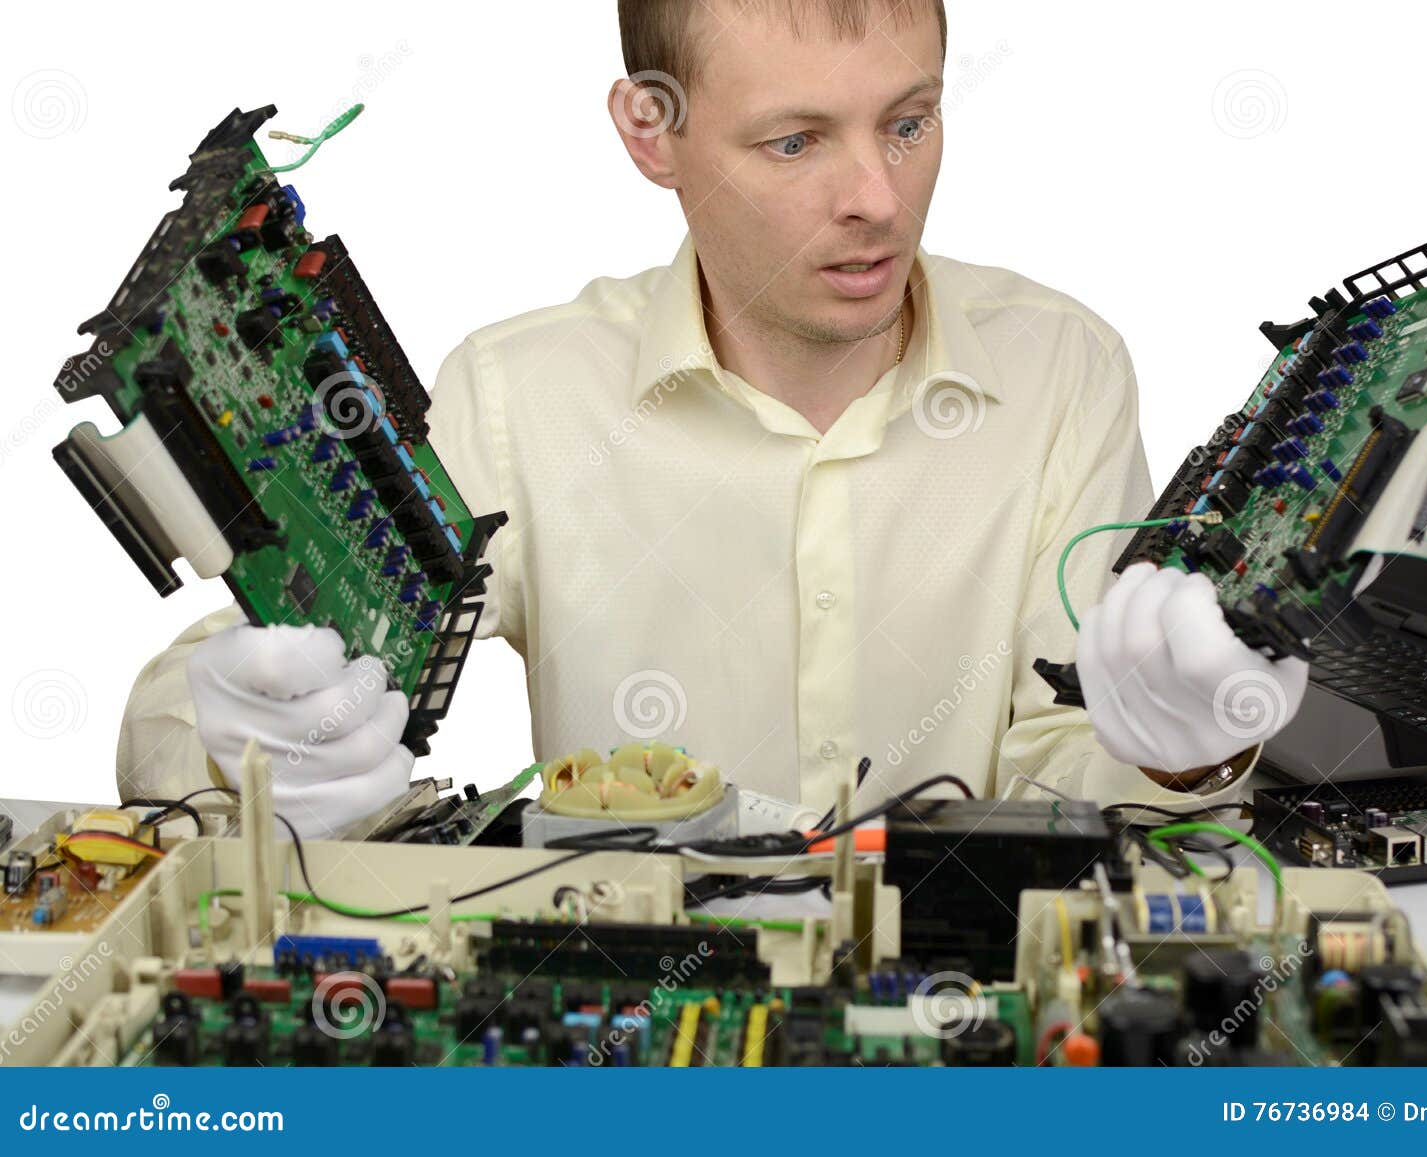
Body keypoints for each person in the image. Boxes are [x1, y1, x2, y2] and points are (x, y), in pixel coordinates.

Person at [116, 0, 1306, 839]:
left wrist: (1179, 748)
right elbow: (223, 695)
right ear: (651, 131)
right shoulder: (526, 395)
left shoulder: (1063, 371)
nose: (876, 200)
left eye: (909, 122)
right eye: (794, 141)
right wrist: (244, 740)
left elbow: (1079, 783)